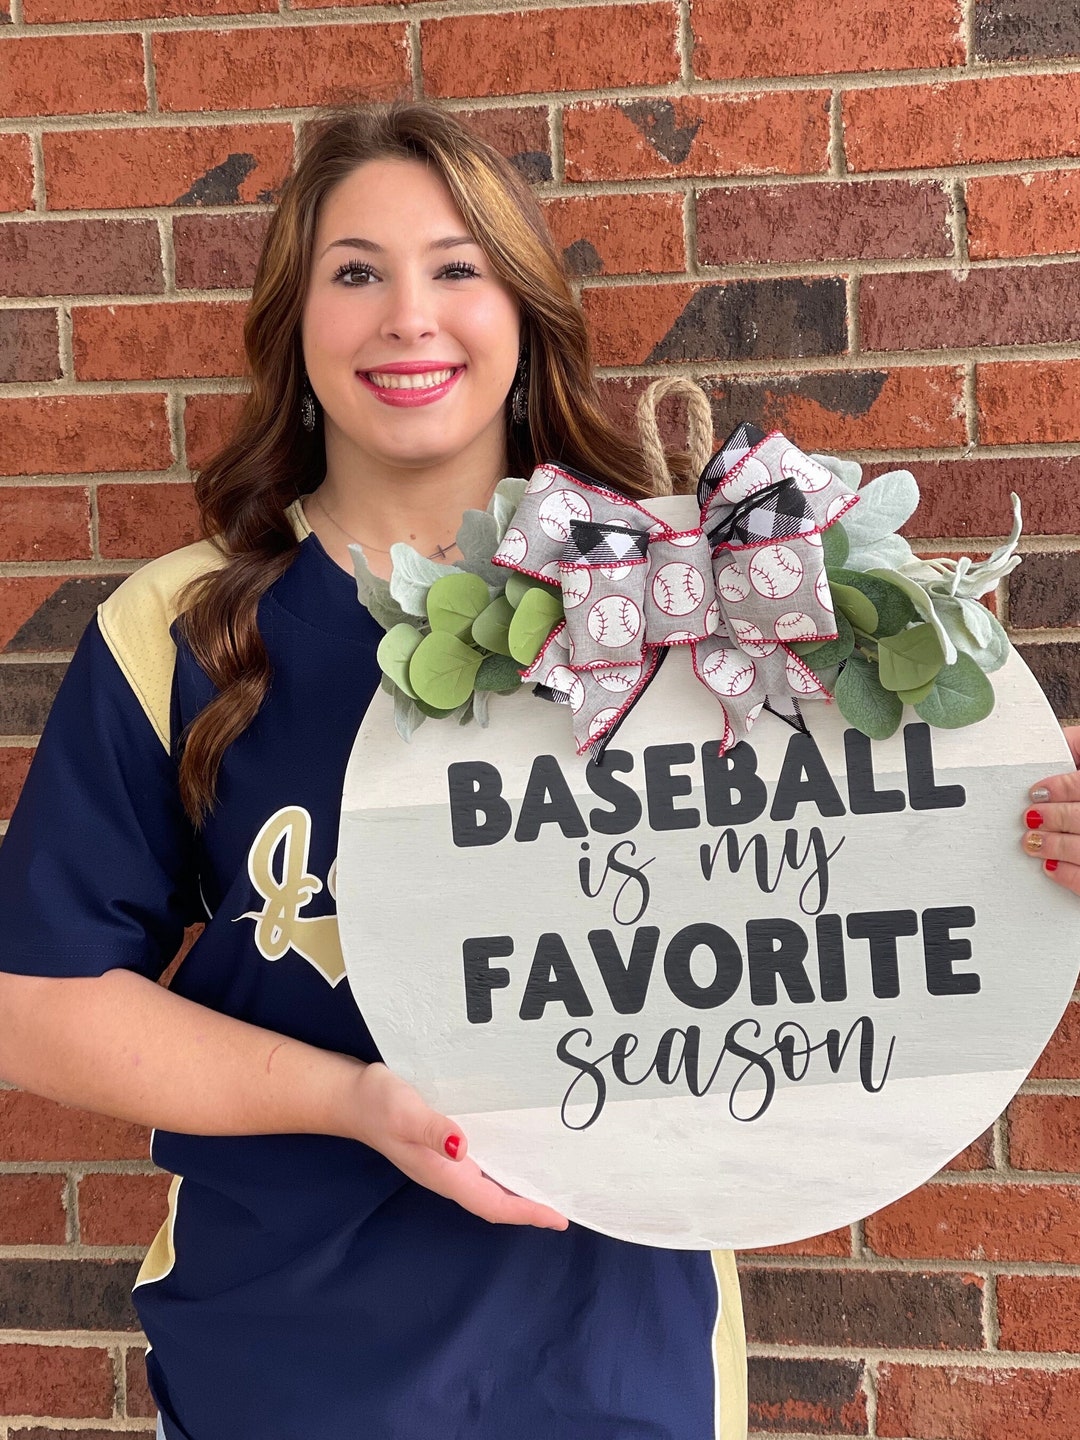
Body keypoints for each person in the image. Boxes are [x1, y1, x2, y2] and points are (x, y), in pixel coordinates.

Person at [0, 102, 747, 1440]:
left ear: (522, 320)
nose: (410, 316)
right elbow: (37, 1000)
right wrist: (353, 1104)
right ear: (297, 327)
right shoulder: (180, 632)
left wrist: (1014, 821)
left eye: (458, 268)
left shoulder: (688, 610)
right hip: (280, 1371)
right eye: (357, 272)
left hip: (620, 1361)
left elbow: (826, 885)